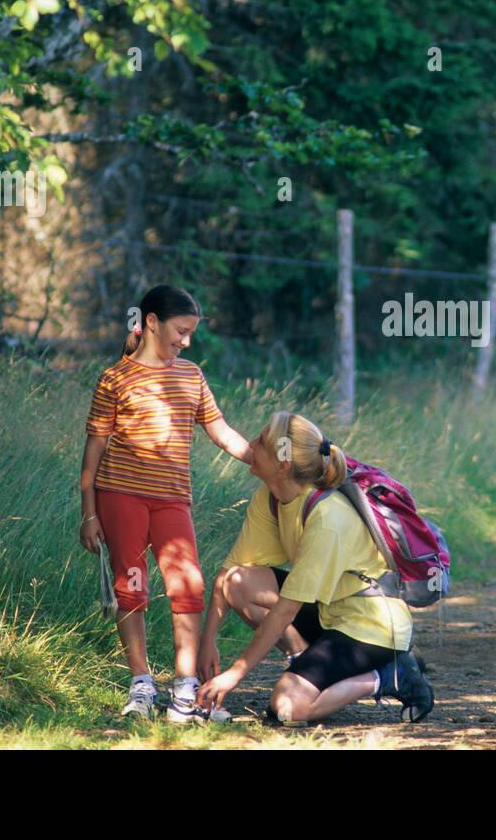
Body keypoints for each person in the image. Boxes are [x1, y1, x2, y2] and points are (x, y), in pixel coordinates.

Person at [78, 284, 253, 724]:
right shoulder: (114, 378)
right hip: (120, 497)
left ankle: (184, 692)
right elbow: (94, 449)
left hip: (173, 500)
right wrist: (89, 512)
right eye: (181, 330)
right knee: (131, 588)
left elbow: (222, 431)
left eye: (191, 333)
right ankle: (140, 684)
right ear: (151, 322)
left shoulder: (191, 375)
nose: (186, 341)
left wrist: (267, 462)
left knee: (188, 586)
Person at [195, 411, 433, 724]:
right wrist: (206, 640)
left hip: (370, 628)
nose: (250, 445)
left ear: (283, 464)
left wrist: (232, 675)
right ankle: (303, 660)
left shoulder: (327, 518)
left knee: (286, 709)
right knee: (238, 581)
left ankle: (393, 674)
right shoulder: (272, 496)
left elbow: (284, 613)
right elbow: (229, 575)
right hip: (327, 612)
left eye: (261, 442)